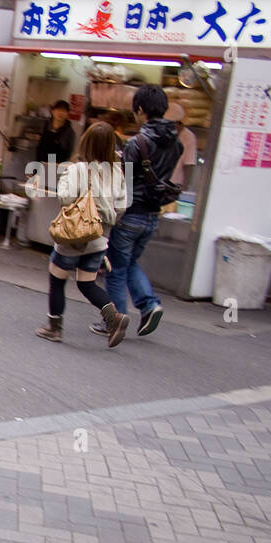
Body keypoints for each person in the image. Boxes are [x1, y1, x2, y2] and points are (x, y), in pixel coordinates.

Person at [93, 84, 182, 339]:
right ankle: (149, 304)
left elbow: (126, 185)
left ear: (140, 110)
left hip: (131, 214)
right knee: (129, 262)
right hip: (154, 215)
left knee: (115, 269)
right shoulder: (176, 144)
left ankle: (115, 319)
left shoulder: (137, 142)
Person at [36, 121, 130, 347]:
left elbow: (65, 198)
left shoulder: (78, 169)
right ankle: (113, 317)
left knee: (57, 279)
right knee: (87, 283)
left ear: (85, 142)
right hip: (99, 238)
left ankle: (54, 328)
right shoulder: (118, 172)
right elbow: (123, 206)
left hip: (74, 235)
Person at [165, 102, 199, 196]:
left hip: (173, 185)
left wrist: (184, 189)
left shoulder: (188, 137)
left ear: (180, 124)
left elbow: (189, 165)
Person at [35, 99, 76, 169]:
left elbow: (68, 154)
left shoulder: (69, 132)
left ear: (67, 114)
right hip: (40, 164)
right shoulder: (45, 126)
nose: (60, 113)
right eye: (58, 109)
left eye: (64, 110)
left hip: (56, 167)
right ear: (52, 111)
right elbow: (39, 147)